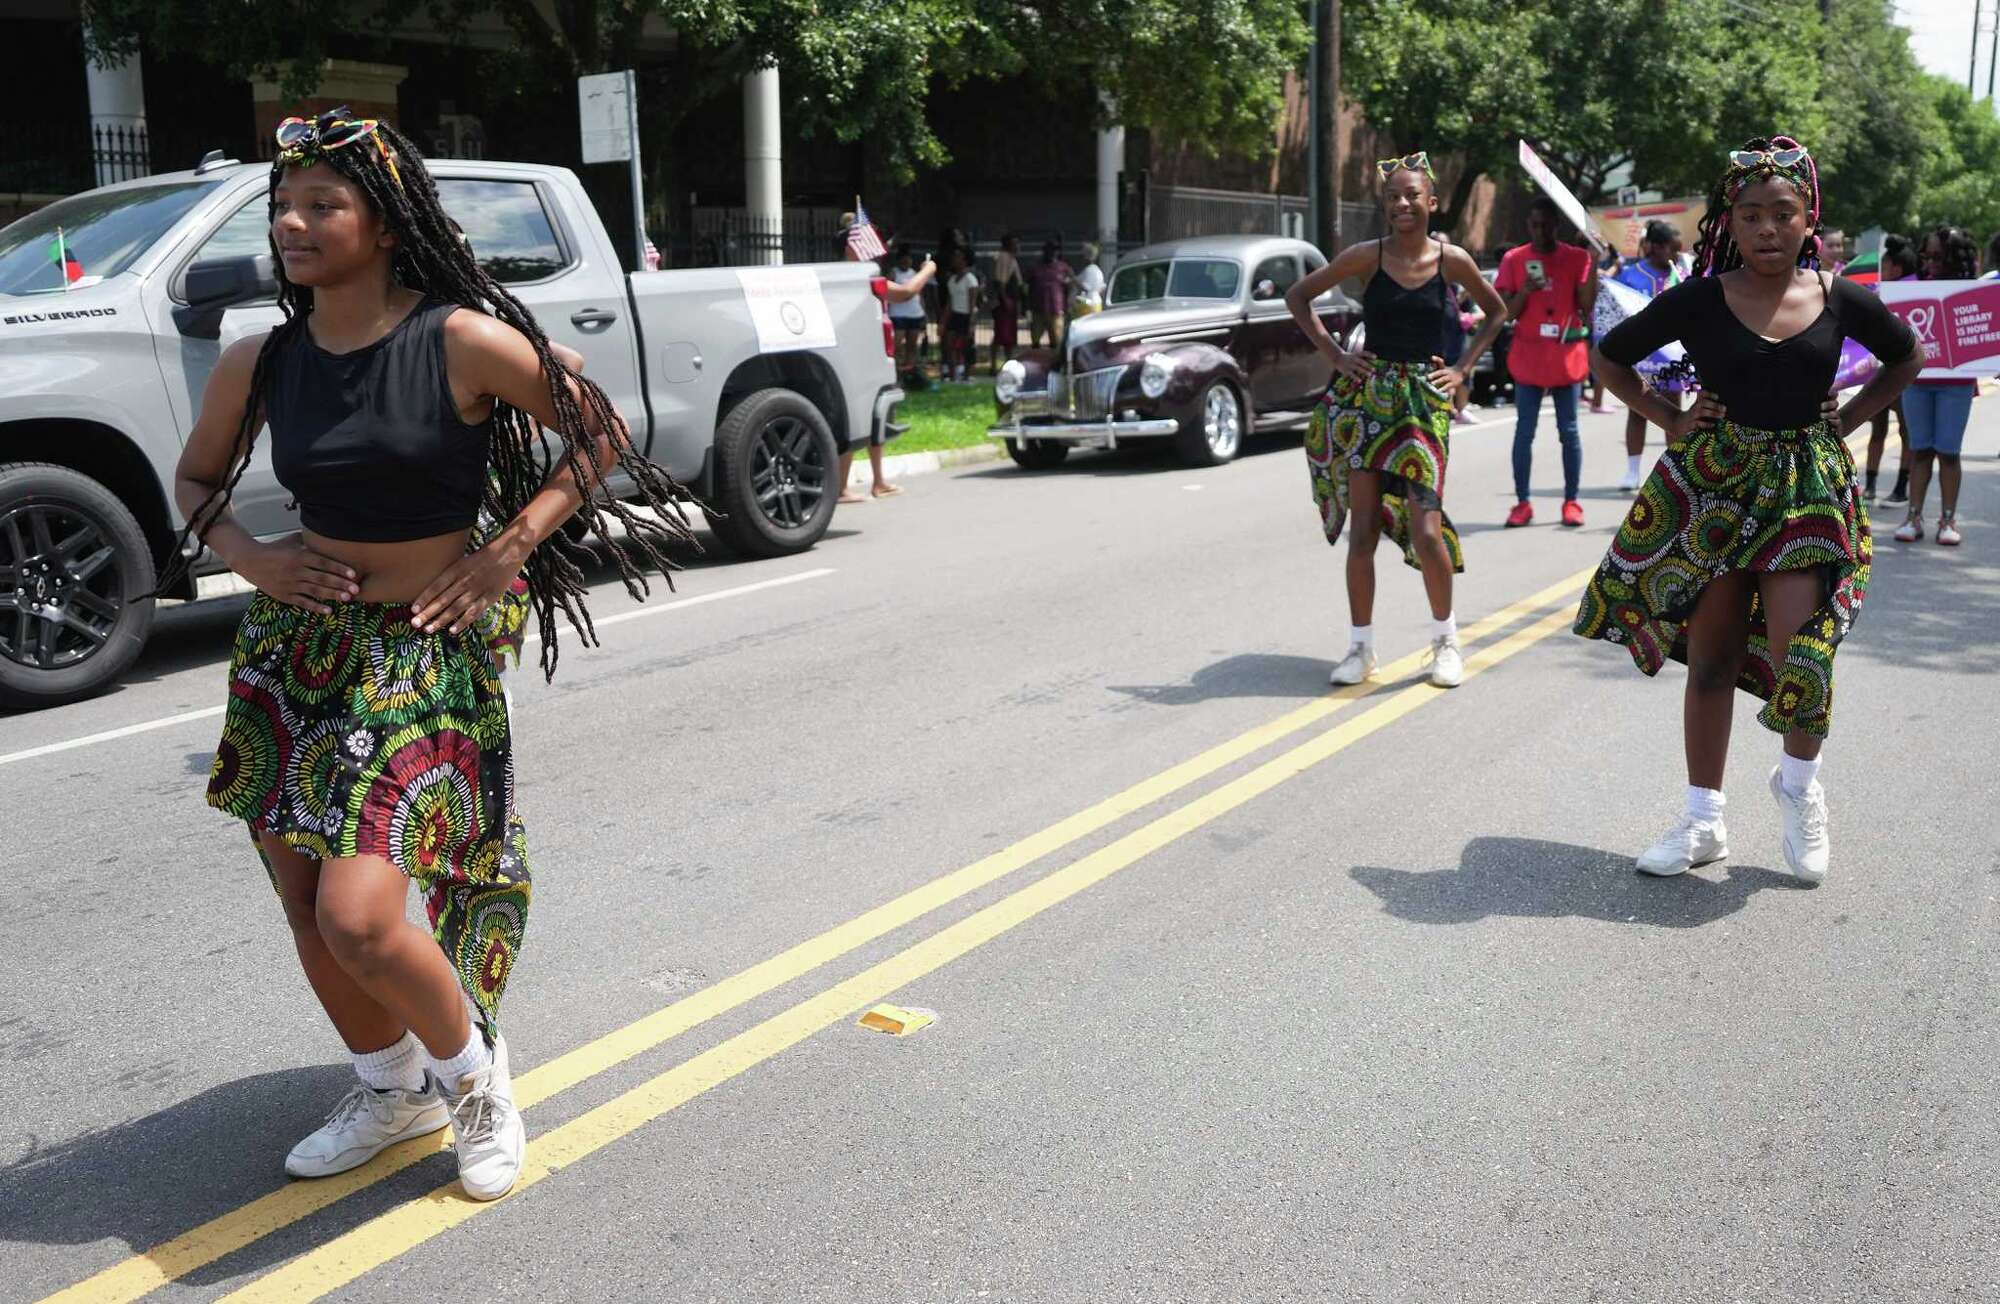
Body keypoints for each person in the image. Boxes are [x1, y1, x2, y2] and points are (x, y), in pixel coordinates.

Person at [156, 109, 698, 1200]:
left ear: (388, 225)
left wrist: (508, 550)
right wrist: (254, 558)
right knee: (304, 903)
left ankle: (474, 1078)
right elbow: (196, 481)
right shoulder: (264, 360)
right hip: (295, 653)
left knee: (359, 916)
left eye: (323, 204)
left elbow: (600, 432)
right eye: (284, 206)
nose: (293, 223)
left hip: (421, 648)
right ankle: (389, 1084)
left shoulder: (458, 340)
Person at [1578, 136, 1920, 884]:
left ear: (1809, 219)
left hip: (1803, 490)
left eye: (1783, 213)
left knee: (1806, 657)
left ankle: (1799, 788)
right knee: (1712, 661)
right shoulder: (1700, 299)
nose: (1768, 228)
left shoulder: (1839, 296)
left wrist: (1850, 417)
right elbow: (1609, 356)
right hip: (1716, 490)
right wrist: (1669, 418)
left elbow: (1907, 356)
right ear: (1729, 223)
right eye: (1752, 214)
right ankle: (1703, 820)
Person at [1286, 151, 1511, 690]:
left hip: (1424, 404)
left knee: (1427, 531)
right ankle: (1360, 648)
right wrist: (1336, 355)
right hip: (1369, 400)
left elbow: (1497, 312)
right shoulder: (1367, 255)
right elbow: (1300, 296)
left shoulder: (1452, 260)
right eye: (1392, 198)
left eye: (1412, 196)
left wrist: (1461, 369)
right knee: (1362, 531)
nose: (1402, 204)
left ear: (1432, 202)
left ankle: (1446, 643)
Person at [1497, 196, 1600, 528]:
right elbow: (1506, 314)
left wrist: (1595, 262)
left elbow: (1586, 306)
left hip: (1566, 357)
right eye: (1534, 225)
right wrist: (1525, 291)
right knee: (1524, 432)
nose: (1540, 231)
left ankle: (1571, 501)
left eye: (1546, 225)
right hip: (1529, 357)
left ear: (1557, 225)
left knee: (1569, 432)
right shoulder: (1514, 259)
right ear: (1528, 226)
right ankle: (1522, 503)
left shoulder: (1578, 258)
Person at [1891, 225, 1980, 546]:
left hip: (1957, 384)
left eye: (1938, 257)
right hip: (1916, 382)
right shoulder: (1907, 288)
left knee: (1949, 453)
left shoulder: (1975, 292)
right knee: (1920, 450)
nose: (1930, 262)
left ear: (1956, 257)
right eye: (1926, 256)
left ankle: (1948, 520)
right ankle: (1913, 517)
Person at [839, 226, 933, 500]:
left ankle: (877, 481)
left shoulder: (846, 278)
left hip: (868, 355)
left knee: (875, 418)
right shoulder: (859, 278)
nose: (872, 249)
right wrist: (928, 270)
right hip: (864, 357)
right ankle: (846, 486)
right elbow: (905, 292)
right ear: (849, 249)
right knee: (859, 418)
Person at [1609, 219, 1684, 490]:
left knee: (1674, 414)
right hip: (1641, 357)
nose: (1675, 255)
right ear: (1655, 247)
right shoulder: (1631, 275)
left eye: (1677, 249)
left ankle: (1675, 473)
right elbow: (1617, 308)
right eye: (1671, 249)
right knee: (1637, 411)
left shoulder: (1681, 274)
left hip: (1673, 358)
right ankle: (1632, 471)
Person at [1863, 237, 1917, 504]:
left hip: (1900, 374)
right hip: (1884, 370)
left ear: (1896, 268)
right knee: (1885, 430)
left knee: (1901, 432)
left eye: (1884, 265)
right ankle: (1877, 486)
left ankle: (1896, 487)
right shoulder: (1880, 291)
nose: (1881, 270)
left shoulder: (1911, 291)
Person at [887, 245, 929, 381]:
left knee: (912, 346)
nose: (906, 262)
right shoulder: (893, 273)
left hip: (914, 314)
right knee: (896, 346)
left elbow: (920, 295)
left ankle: (909, 373)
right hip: (897, 314)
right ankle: (896, 373)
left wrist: (924, 313)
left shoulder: (915, 274)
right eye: (903, 259)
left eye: (908, 259)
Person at [988, 232, 1025, 373]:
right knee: (1001, 334)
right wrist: (1005, 300)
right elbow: (1000, 281)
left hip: (1011, 301)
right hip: (1005, 302)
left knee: (1009, 336)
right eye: (1015, 243)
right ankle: (994, 366)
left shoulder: (1012, 258)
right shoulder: (1004, 257)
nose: (1018, 246)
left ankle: (1008, 363)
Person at [1027, 240, 1074, 348]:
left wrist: (1068, 304)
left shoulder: (1064, 268)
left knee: (1057, 341)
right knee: (1035, 342)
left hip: (1056, 310)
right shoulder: (1035, 267)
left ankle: (1055, 358)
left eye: (1054, 250)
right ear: (1044, 251)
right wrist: (1027, 306)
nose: (1051, 253)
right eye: (1048, 250)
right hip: (1038, 309)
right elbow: (1028, 286)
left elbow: (1071, 286)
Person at [944, 249, 980, 382]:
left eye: (957, 257)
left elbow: (972, 303)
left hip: (966, 316)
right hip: (955, 316)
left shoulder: (971, 280)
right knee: (950, 346)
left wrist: (971, 323)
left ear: (964, 261)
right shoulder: (952, 280)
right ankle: (953, 376)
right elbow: (949, 303)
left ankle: (966, 376)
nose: (954, 259)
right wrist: (943, 321)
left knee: (965, 347)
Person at [1072, 242, 1106, 317]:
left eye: (1082, 255)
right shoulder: (1097, 270)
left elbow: (1085, 288)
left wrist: (1074, 280)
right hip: (1096, 303)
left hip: (1089, 305)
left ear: (1086, 257)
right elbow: (1102, 288)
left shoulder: (1089, 271)